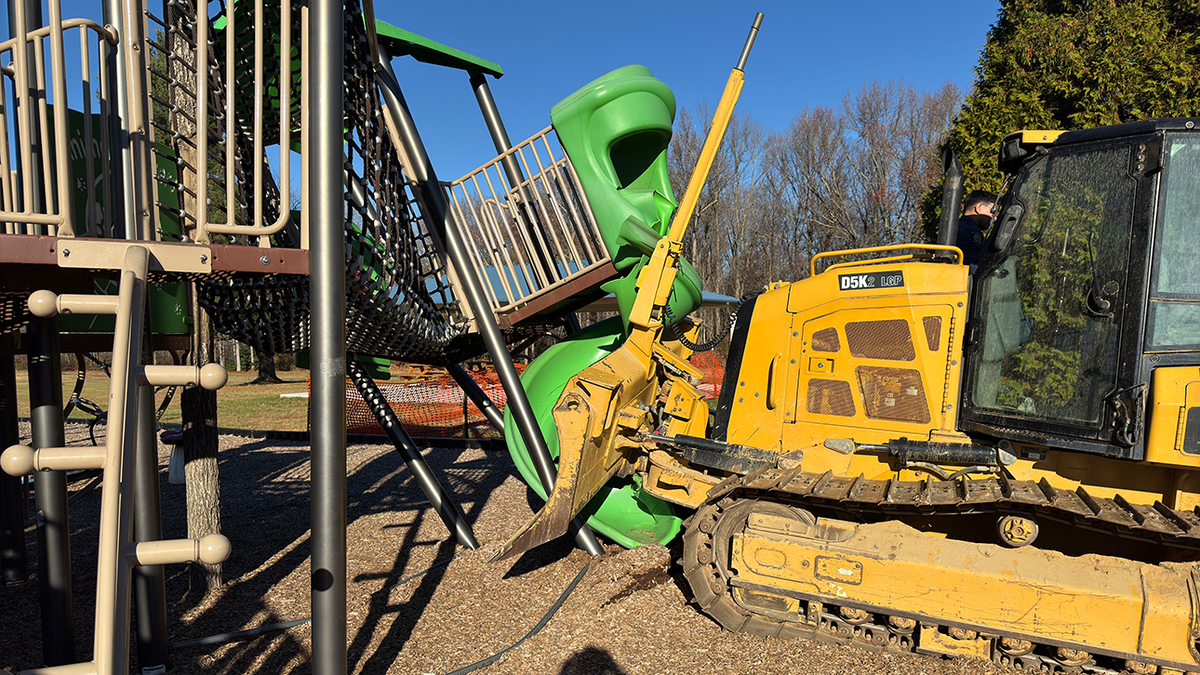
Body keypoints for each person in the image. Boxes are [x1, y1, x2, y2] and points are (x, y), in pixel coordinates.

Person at [955, 190, 998, 266]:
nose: (995, 218)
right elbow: (974, 264)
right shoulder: (970, 230)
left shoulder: (961, 226)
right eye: (993, 212)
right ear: (979, 207)